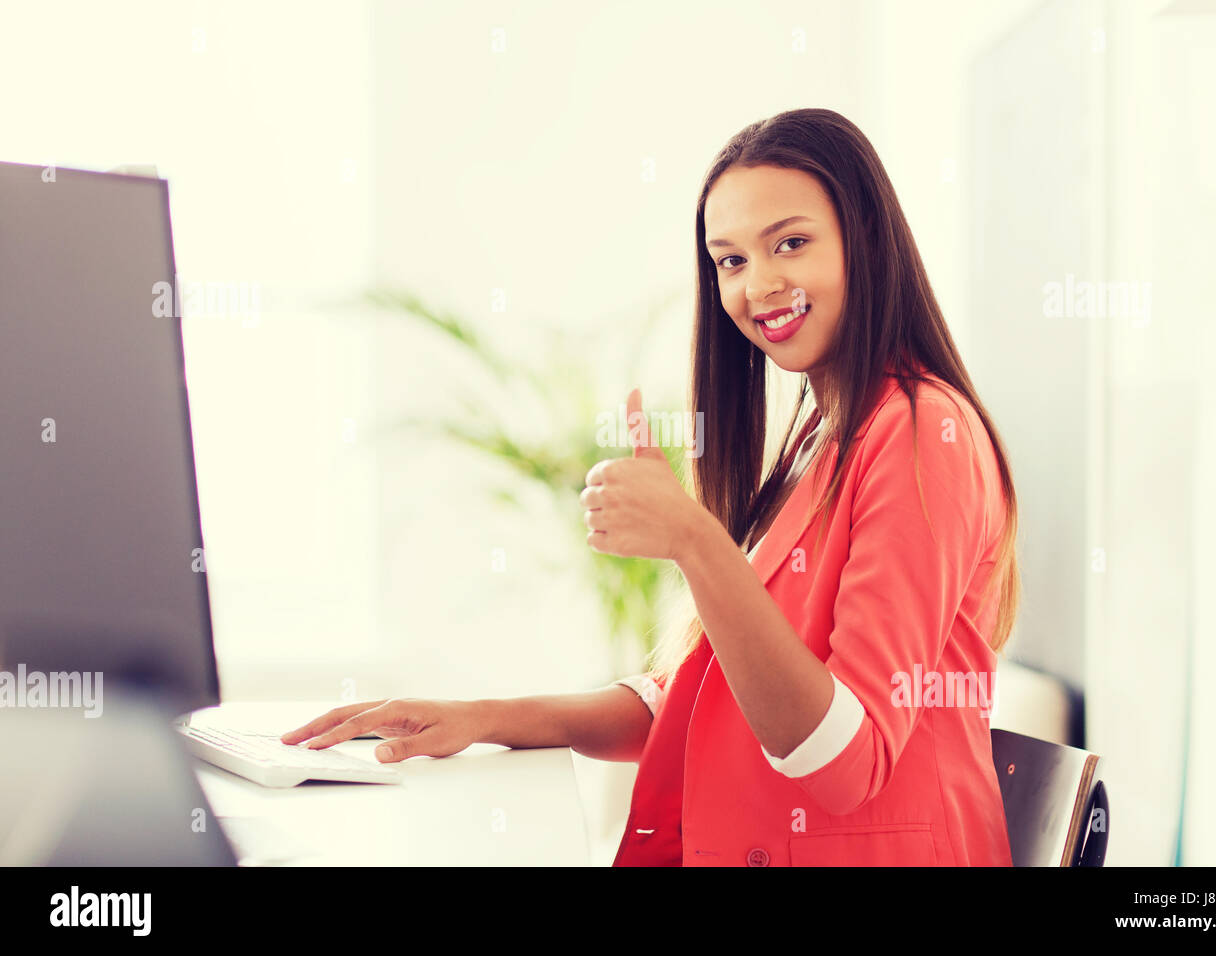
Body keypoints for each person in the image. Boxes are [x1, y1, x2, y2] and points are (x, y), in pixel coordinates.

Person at [282, 107, 1020, 867]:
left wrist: (695, 542)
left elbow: (842, 760)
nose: (758, 285)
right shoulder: (819, 438)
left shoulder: (924, 432)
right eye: (729, 261)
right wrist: (481, 717)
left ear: (865, 239)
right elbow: (701, 698)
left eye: (790, 244)